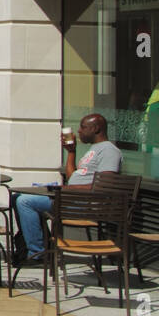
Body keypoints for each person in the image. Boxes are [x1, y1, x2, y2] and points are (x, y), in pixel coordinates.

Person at [12, 113, 123, 263]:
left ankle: (38, 255)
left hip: (85, 204)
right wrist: (71, 152)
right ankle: (38, 246)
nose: (79, 131)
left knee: (25, 201)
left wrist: (65, 190)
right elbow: (73, 178)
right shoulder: (94, 149)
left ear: (96, 128)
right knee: (16, 197)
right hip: (71, 199)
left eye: (83, 127)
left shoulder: (109, 151)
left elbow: (104, 186)